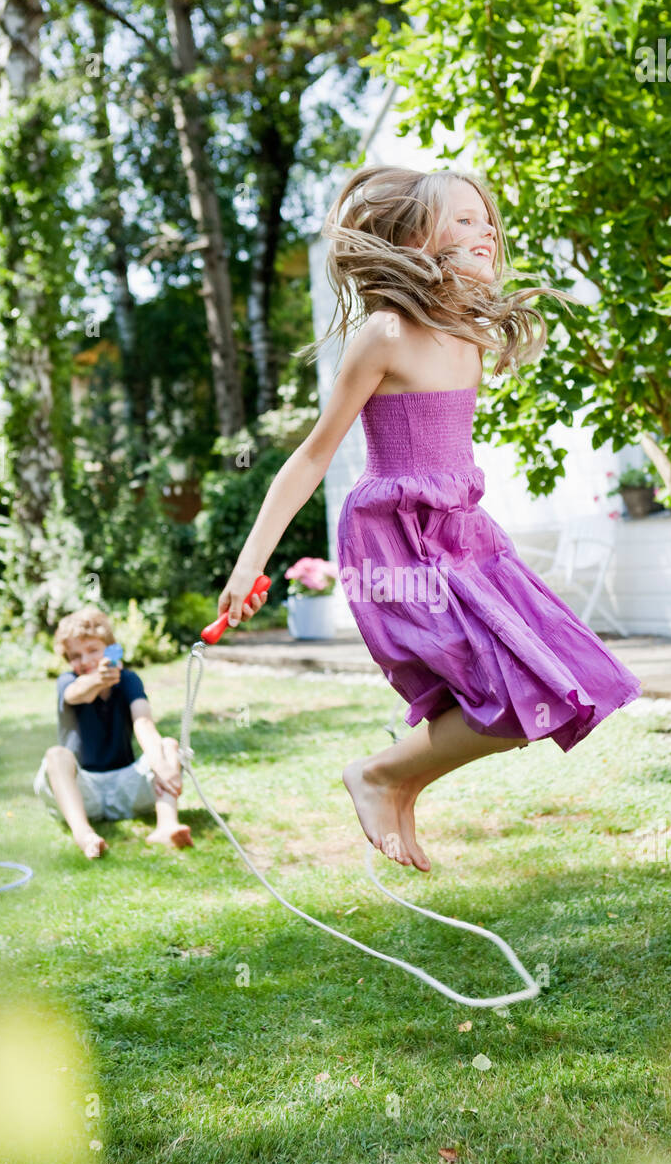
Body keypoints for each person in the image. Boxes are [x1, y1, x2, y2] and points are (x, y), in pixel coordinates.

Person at [216, 164, 642, 875]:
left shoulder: (469, 331)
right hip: (395, 541)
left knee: (547, 685)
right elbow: (313, 455)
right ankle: (379, 775)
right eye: (463, 220)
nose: (485, 232)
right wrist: (249, 564)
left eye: (487, 221)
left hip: (463, 536)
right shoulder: (384, 334)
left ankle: (399, 782)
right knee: (510, 695)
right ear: (416, 239)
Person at [33, 605, 193, 859]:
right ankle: (83, 833)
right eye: (75, 656)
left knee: (167, 746)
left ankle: (167, 826)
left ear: (110, 648)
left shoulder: (128, 680)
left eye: (92, 650)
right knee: (56, 755)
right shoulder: (67, 681)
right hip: (82, 792)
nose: (85, 660)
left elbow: (143, 722)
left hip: (126, 787)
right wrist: (99, 679)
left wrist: (161, 764)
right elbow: (76, 694)